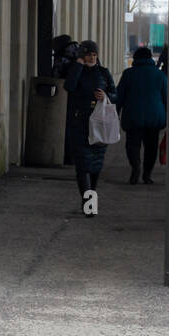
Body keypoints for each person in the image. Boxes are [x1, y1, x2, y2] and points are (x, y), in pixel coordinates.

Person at [63, 40, 117, 215]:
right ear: (82, 56)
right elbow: (69, 86)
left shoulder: (103, 72)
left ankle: (90, 200)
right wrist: (78, 65)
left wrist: (106, 96)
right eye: (89, 55)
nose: (92, 58)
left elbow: (116, 94)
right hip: (80, 124)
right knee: (84, 166)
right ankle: (89, 206)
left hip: (100, 124)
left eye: (94, 55)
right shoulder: (75, 71)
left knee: (95, 166)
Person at [116, 45, 167, 184]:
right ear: (150, 58)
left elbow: (119, 96)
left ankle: (135, 167)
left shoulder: (128, 74)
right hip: (155, 117)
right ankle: (147, 174)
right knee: (151, 147)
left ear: (135, 58)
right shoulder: (159, 74)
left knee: (132, 145)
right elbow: (166, 97)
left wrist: (115, 113)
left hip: (133, 116)